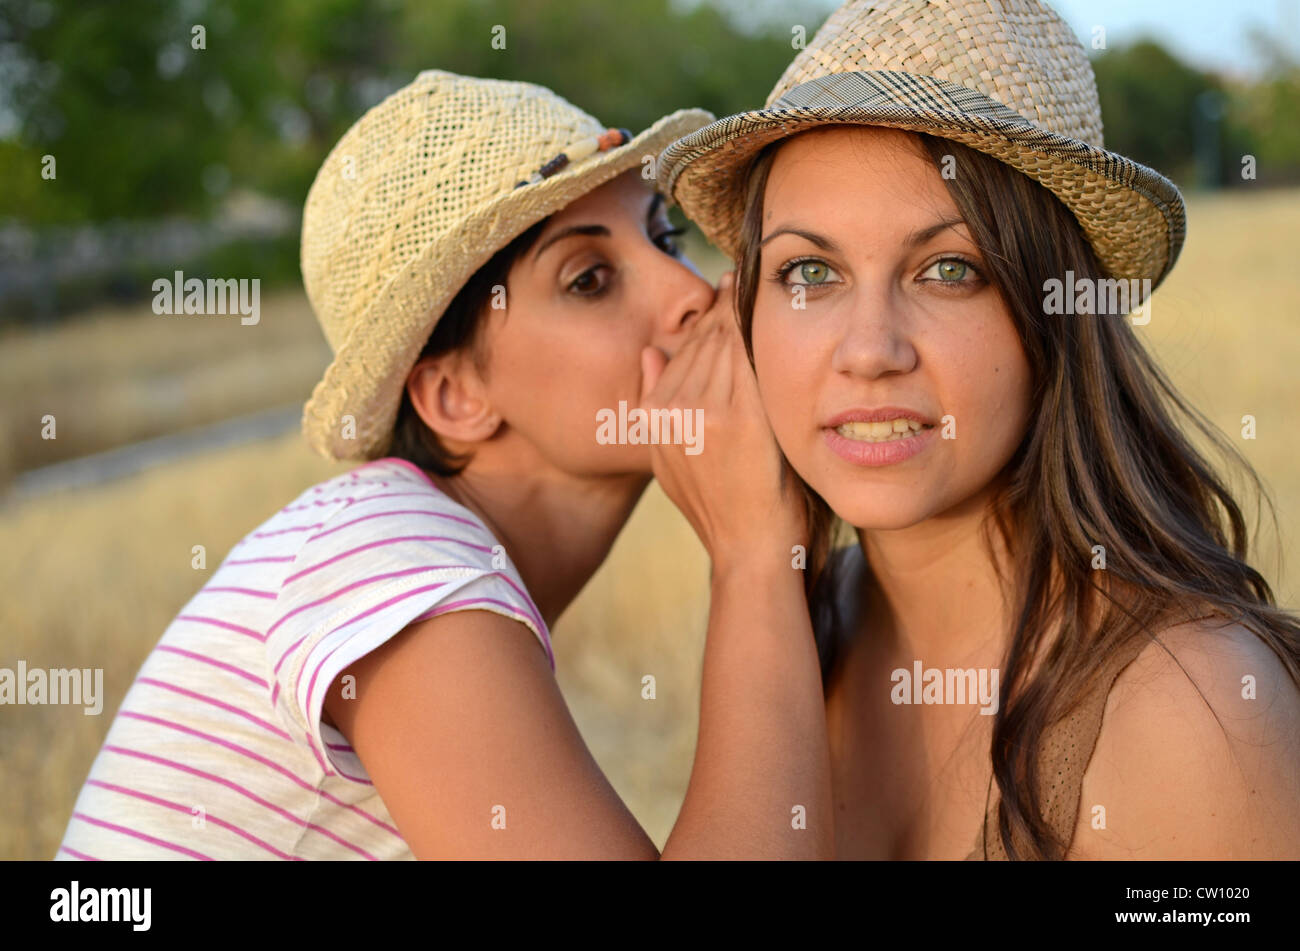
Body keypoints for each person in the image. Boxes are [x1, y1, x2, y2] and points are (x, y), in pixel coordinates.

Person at [56, 70, 831, 860]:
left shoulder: (420, 550)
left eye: (664, 238)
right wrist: (753, 555)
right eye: (589, 280)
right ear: (455, 396)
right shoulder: (391, 560)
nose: (691, 290)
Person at [658, 0, 1300, 859]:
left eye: (949, 270)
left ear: (1058, 314)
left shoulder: (1194, 710)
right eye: (810, 271)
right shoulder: (788, 635)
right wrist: (754, 568)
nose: (870, 351)